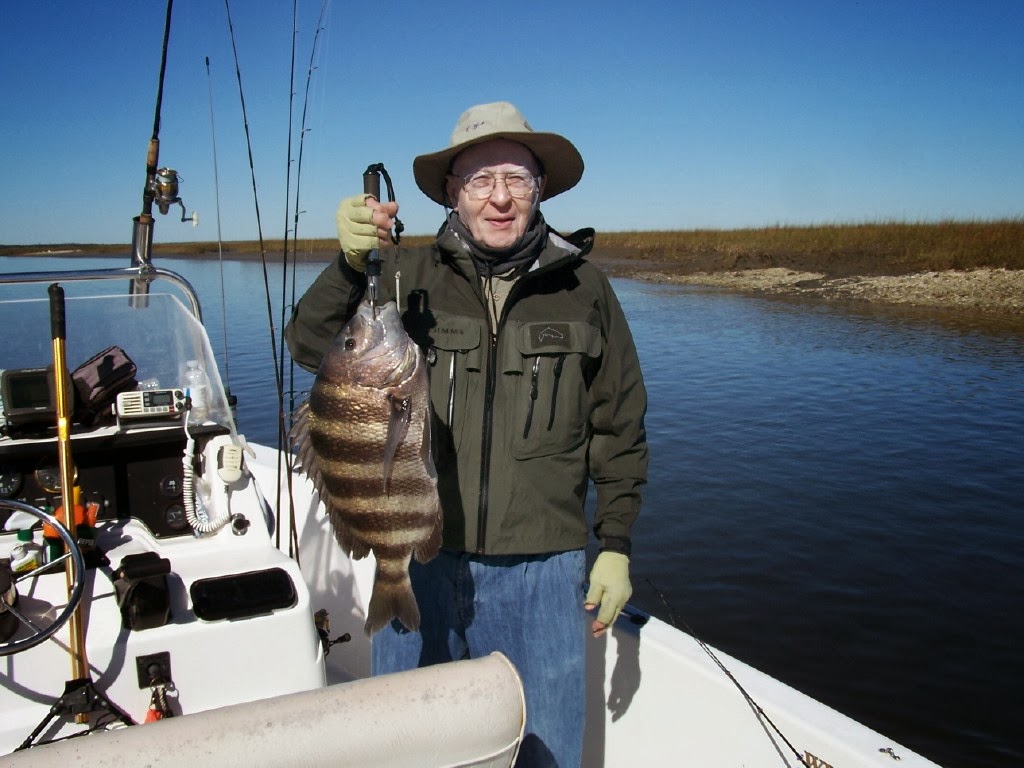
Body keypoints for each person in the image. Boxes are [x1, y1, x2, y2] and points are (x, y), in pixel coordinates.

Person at [285, 101, 648, 767]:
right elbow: (311, 347)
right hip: (419, 559)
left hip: (543, 570)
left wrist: (616, 544)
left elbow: (619, 426)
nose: (499, 197)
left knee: (544, 753)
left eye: (516, 178)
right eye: (480, 179)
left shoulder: (586, 289)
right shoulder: (404, 277)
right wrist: (349, 265)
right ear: (453, 192)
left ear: (541, 187)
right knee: (408, 750)